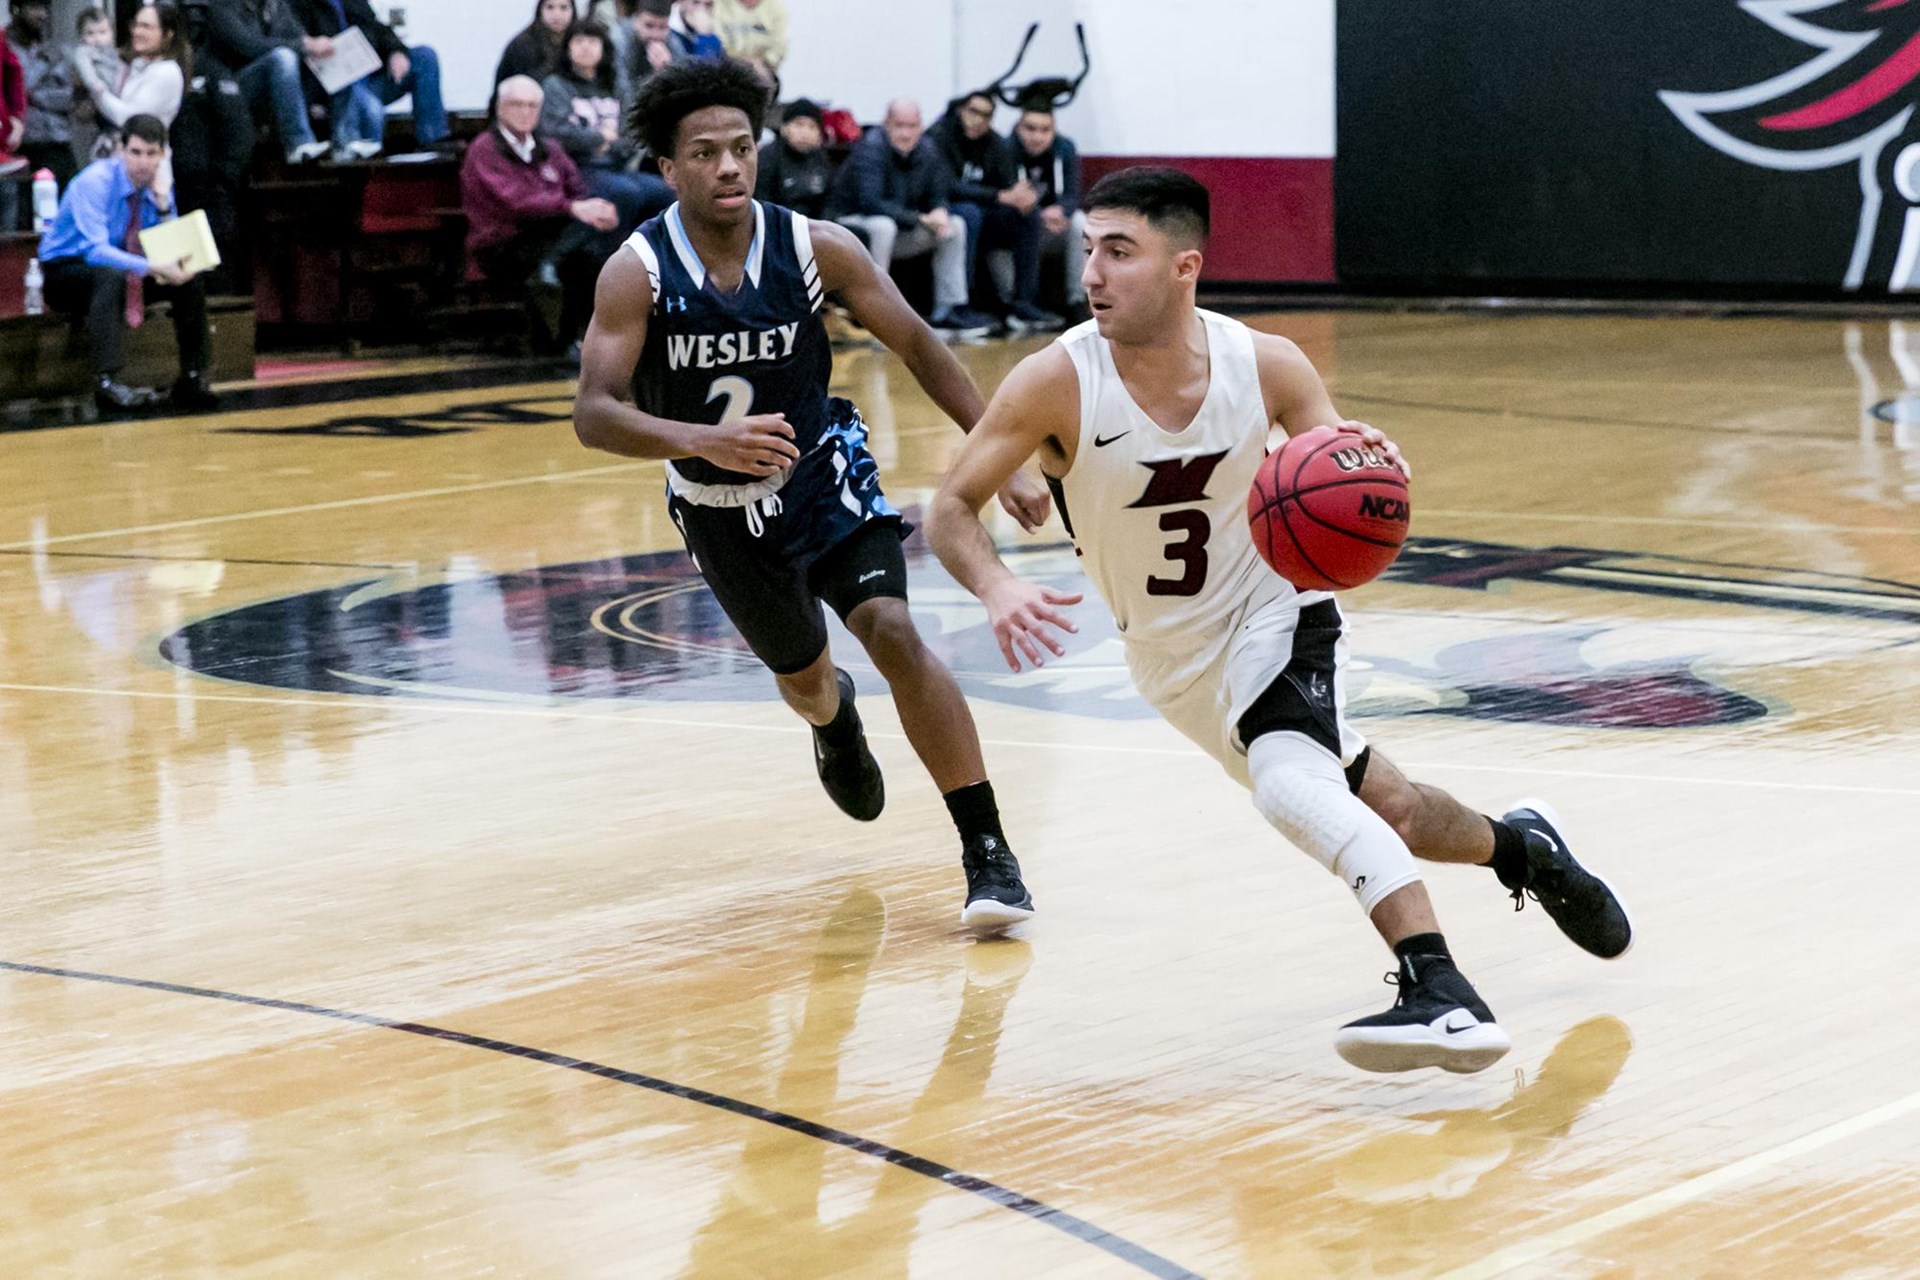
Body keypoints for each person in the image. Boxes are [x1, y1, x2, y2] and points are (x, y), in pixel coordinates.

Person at [924, 167, 1634, 1072]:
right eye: (1089, 249)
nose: (1092, 272)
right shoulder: (1055, 380)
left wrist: (1368, 468)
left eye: (1119, 251)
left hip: (1278, 608)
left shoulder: (1265, 364)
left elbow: (1338, 468)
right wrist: (995, 586)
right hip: (1173, 661)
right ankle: (1525, 850)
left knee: (1288, 784)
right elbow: (950, 508)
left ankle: (1439, 991)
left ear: (1185, 267)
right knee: (1394, 812)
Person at [573, 59, 1053, 934]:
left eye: (741, 147)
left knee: (894, 629)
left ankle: (988, 852)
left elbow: (920, 345)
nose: (729, 166)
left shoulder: (813, 245)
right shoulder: (636, 272)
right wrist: (701, 439)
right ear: (669, 168)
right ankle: (834, 720)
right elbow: (594, 413)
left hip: (822, 474)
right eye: (705, 153)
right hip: (718, 507)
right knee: (803, 680)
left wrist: (1004, 457)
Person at [38, 115, 219, 416]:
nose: (143, 162)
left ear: (163, 155)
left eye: (151, 153)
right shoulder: (94, 182)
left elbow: (170, 248)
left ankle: (193, 376)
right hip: (67, 271)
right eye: (135, 152)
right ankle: (106, 381)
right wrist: (153, 267)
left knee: (189, 277)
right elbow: (96, 251)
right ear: (121, 150)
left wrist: (163, 203)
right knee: (109, 275)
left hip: (126, 267)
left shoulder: (158, 186)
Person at [462, 75, 623, 351]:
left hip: (550, 235)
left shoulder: (549, 147)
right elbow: (516, 203)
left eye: (532, 106)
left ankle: (576, 339)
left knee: (595, 253)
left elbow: (577, 188)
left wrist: (593, 210)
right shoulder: (484, 149)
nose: (525, 112)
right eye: (517, 104)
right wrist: (571, 207)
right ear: (500, 108)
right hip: (503, 242)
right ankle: (559, 335)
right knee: (569, 256)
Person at [824, 98, 996, 338]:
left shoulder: (928, 149)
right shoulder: (870, 148)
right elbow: (870, 203)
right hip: (851, 229)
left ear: (921, 126)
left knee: (954, 225)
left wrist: (939, 210)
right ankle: (875, 312)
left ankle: (949, 310)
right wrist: (920, 218)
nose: (906, 134)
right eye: (899, 125)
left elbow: (939, 191)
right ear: (886, 123)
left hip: (901, 227)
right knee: (883, 227)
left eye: (912, 126)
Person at [929, 89, 1059, 332]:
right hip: (944, 210)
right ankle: (961, 305)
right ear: (960, 110)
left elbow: (1009, 186)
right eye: (973, 111)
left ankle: (1024, 303)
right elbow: (945, 186)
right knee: (969, 213)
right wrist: (999, 196)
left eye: (986, 115)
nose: (978, 119)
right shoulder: (938, 136)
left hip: (985, 214)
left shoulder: (994, 142)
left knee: (1027, 214)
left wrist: (1022, 196)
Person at [289, 0, 449, 156]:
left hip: (371, 77)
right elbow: (293, 49)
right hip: (334, 90)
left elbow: (376, 27)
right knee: (371, 108)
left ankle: (432, 140)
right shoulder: (298, 5)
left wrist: (396, 51)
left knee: (424, 57)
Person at [71, 3, 188, 203]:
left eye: (146, 27)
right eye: (136, 25)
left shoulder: (167, 72)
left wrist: (96, 88)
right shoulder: (138, 65)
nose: (137, 32)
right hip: (120, 165)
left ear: (167, 34)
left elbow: (128, 118)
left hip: (148, 170)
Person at [203, 0, 331, 162]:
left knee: (329, 54)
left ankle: (346, 141)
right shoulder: (223, 5)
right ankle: (298, 143)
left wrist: (315, 45)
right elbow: (248, 46)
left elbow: (297, 35)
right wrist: (302, 45)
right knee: (283, 57)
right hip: (232, 86)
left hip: (275, 80)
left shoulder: (274, 4)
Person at [1011, 105, 1086, 318]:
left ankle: (1078, 300)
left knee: (1081, 222)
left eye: (1045, 130)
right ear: (1018, 128)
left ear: (1054, 130)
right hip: (1017, 228)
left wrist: (1062, 210)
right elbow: (1002, 199)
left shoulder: (1065, 148)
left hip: (1053, 226)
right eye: (1030, 129)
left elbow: (1073, 194)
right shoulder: (1004, 149)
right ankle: (1013, 304)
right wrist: (1036, 213)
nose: (1037, 137)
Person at [10, 0, 78, 191]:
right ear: (16, 9)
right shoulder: (6, 50)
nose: (42, 14)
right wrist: (43, 66)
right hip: (22, 148)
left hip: (57, 144)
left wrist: (35, 97)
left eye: (44, 8)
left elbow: (69, 98)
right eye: (34, 7)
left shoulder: (55, 50)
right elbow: (15, 90)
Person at [754, 97, 827, 218]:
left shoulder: (821, 159)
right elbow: (762, 203)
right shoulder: (768, 157)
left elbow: (829, 202)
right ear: (784, 128)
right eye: (799, 125)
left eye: (812, 127)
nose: (805, 133)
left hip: (813, 225)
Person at [70, 7, 122, 164]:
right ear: (81, 36)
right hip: (100, 103)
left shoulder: (117, 55)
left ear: (112, 33)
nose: (97, 38)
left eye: (102, 32)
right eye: (90, 33)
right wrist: (93, 83)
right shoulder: (84, 52)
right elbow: (85, 70)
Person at [494, 0, 577, 88]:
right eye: (550, 7)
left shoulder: (579, 40)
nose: (557, 14)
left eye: (563, 8)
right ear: (540, 11)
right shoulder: (523, 44)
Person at [712, 0, 786, 85]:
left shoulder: (776, 7)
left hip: (763, 69)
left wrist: (763, 63)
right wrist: (739, 61)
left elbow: (779, 46)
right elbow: (716, 40)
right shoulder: (719, 5)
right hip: (727, 68)